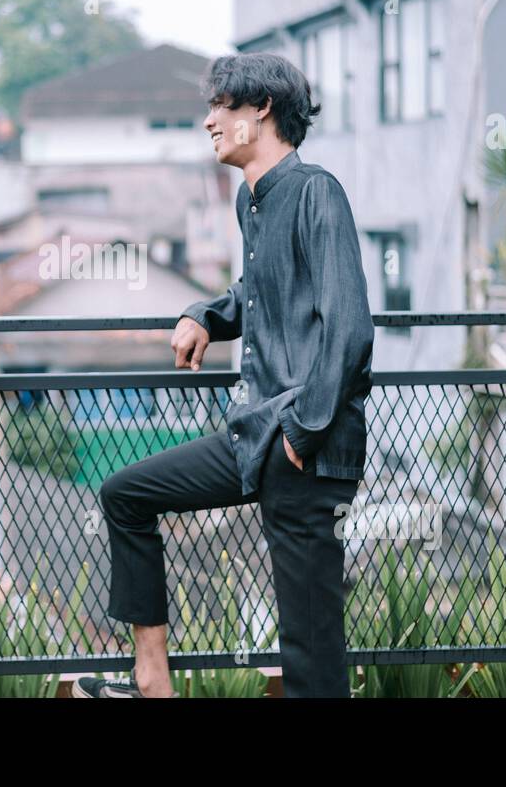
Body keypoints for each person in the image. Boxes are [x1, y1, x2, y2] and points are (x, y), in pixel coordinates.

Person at [73, 53, 373, 698]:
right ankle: (152, 681)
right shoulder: (252, 200)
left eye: (219, 106)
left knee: (310, 644)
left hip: (304, 447)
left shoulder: (316, 192)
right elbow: (256, 290)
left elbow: (348, 327)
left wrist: (304, 432)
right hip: (254, 435)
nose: (208, 120)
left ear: (259, 109)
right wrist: (205, 313)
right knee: (126, 494)